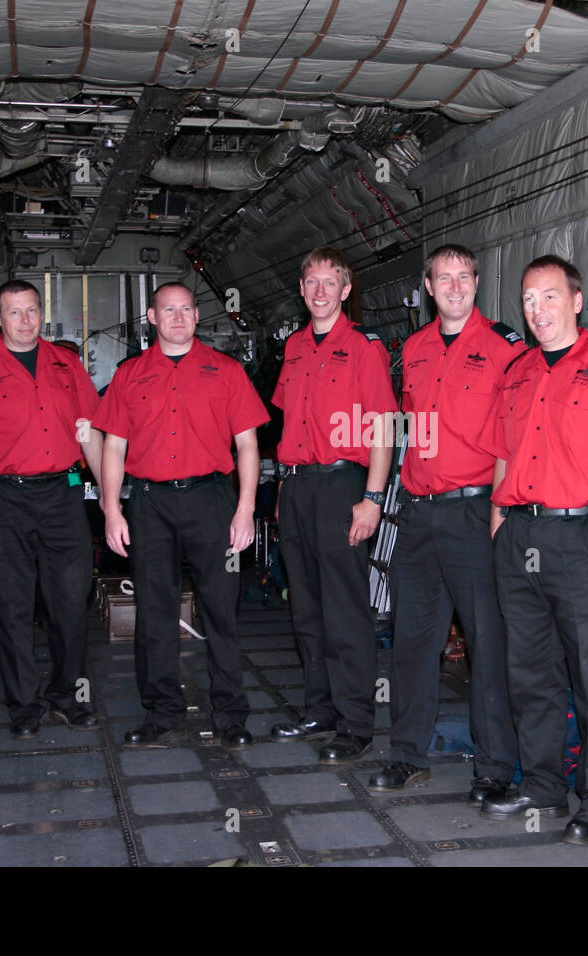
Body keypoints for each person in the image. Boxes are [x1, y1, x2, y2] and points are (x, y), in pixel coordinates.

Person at [479, 255, 588, 846]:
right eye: (529, 300)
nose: (538, 311)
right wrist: (498, 524)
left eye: (549, 297)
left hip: (578, 535)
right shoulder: (518, 372)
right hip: (519, 535)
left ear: (576, 301)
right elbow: (503, 452)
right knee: (529, 672)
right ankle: (544, 785)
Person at [367, 244, 524, 805]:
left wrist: (502, 513)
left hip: (476, 512)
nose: (454, 287)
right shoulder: (412, 349)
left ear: (476, 284)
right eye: (443, 278)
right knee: (412, 642)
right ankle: (408, 756)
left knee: (487, 641)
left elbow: (517, 436)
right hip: (419, 512)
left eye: (464, 277)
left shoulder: (506, 349)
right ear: (428, 289)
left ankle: (495, 767)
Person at [93, 283, 268, 749]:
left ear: (196, 316)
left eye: (186, 309)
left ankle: (231, 714)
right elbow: (113, 446)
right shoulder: (129, 374)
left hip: (212, 500)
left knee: (221, 609)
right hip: (149, 503)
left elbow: (248, 444)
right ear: (152, 317)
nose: (177, 317)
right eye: (167, 309)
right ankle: (163, 712)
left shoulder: (226, 371)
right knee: (154, 612)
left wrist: (246, 508)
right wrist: (112, 509)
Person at [0, 279, 104, 740]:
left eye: (32, 311)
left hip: (63, 494)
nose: (25, 321)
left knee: (71, 602)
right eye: (14, 313)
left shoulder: (66, 365)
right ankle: (24, 705)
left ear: (42, 313)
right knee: (12, 607)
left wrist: (111, 499)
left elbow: (88, 432)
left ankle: (68, 697)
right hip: (4, 499)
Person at [270, 246, 398, 764]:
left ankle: (355, 722)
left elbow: (384, 426)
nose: (320, 292)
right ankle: (319, 708)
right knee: (305, 607)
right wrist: (282, 488)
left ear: (346, 292)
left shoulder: (365, 347)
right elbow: (289, 424)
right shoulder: (296, 347)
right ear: (302, 291)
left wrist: (372, 496)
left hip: (343, 485)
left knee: (345, 610)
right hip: (298, 486)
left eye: (331, 283)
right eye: (312, 283)